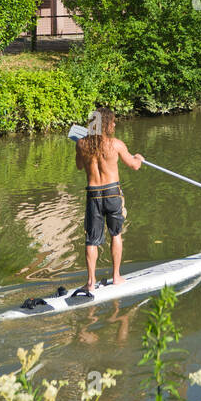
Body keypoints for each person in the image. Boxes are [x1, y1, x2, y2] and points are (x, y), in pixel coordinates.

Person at [75, 108, 143, 291]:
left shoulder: (81, 144)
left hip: (93, 194)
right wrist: (139, 158)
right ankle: (116, 276)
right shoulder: (116, 145)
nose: (114, 124)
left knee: (91, 239)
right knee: (116, 234)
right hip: (112, 193)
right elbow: (134, 165)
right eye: (112, 121)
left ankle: (90, 283)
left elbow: (79, 166)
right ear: (105, 124)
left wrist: (82, 149)